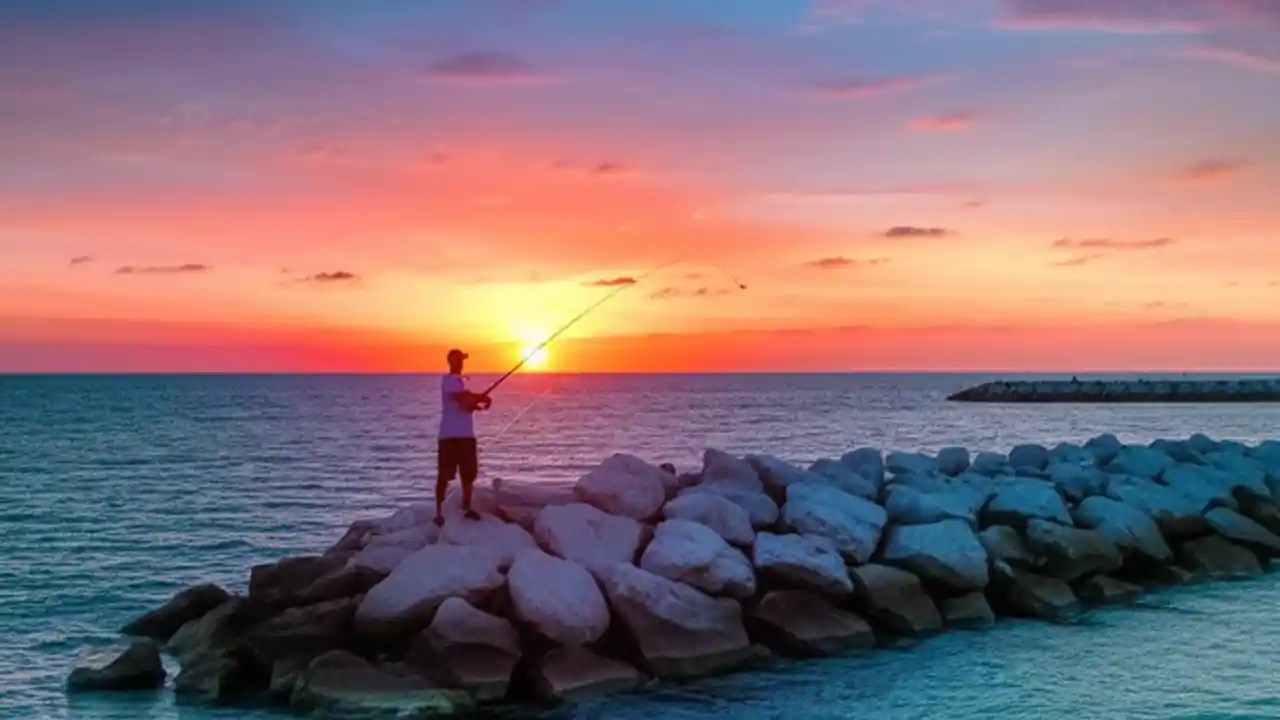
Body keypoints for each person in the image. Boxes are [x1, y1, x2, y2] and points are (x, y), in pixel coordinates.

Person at [435, 348, 492, 526]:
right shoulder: (450, 380)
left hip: (465, 435)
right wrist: (481, 398)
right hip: (450, 436)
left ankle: (466, 507)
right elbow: (461, 399)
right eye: (458, 360)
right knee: (445, 473)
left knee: (468, 474)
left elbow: (464, 404)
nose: (461, 363)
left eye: (461, 360)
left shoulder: (459, 382)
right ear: (452, 362)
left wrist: (476, 403)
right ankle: (439, 512)